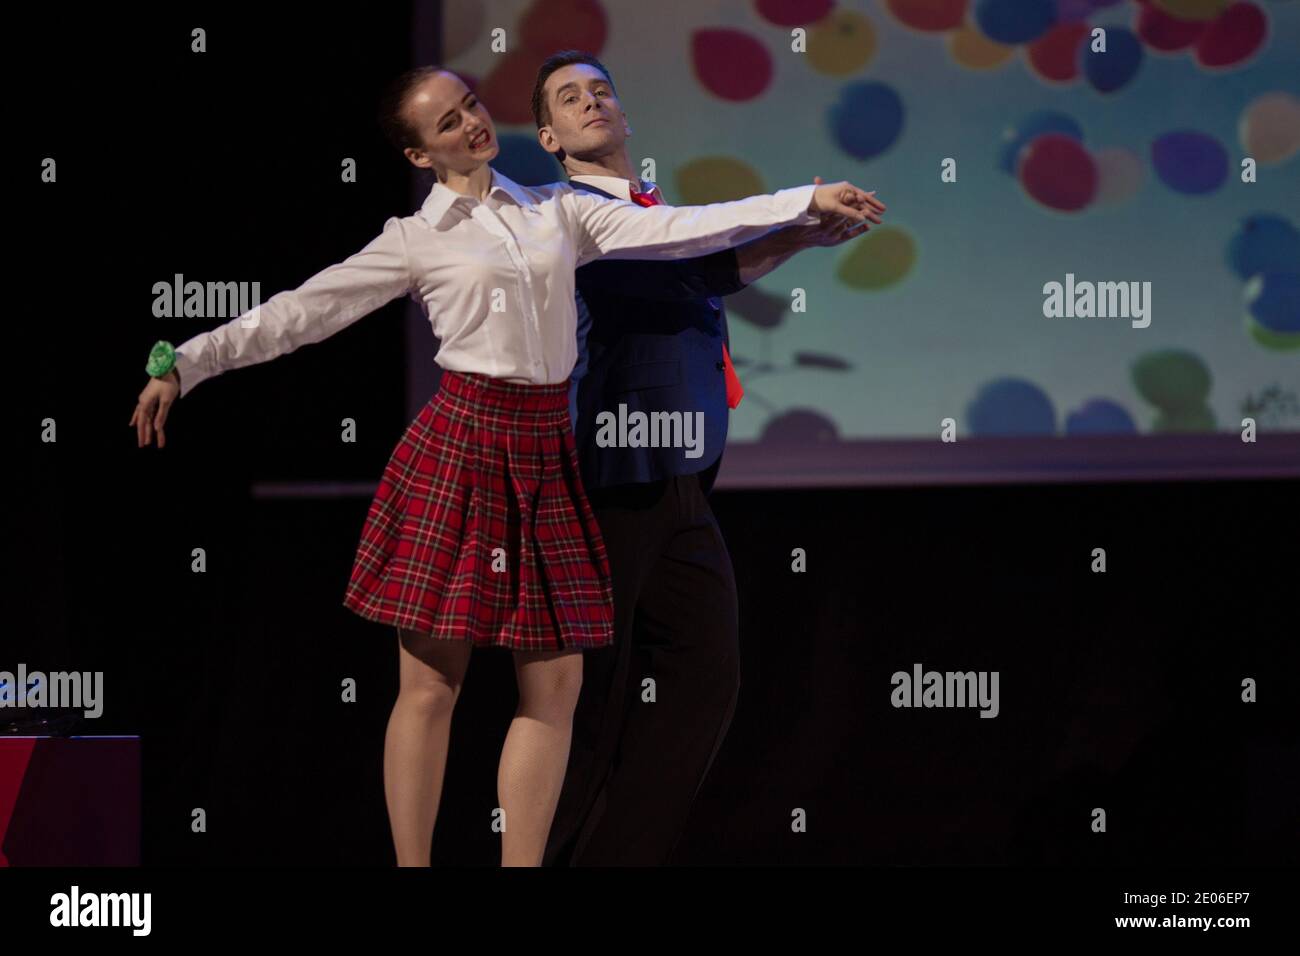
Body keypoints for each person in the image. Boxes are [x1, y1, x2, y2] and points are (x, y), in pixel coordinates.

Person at [128, 65, 879, 867]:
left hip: (547, 453)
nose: (471, 125)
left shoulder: (558, 211)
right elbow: (302, 312)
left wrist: (801, 204)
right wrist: (188, 362)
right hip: (461, 446)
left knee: (555, 690)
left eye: (472, 106)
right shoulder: (415, 239)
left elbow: (683, 229)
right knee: (429, 687)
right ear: (420, 155)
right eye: (447, 123)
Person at [531, 51, 885, 865]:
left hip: (681, 479)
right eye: (568, 98)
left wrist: (804, 234)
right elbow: (692, 257)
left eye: (600, 90)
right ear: (548, 136)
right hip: (615, 476)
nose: (591, 102)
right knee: (591, 701)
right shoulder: (570, 214)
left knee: (704, 681)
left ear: (622, 114)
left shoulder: (650, 212)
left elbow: (702, 272)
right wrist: (801, 206)